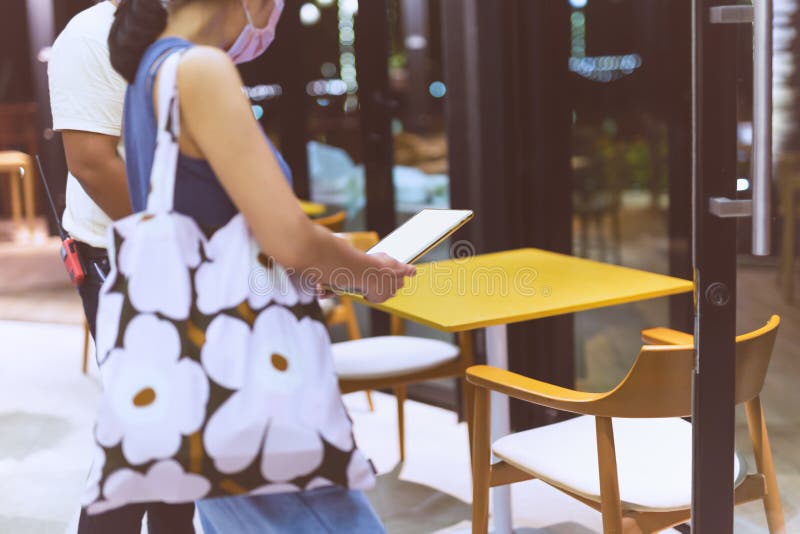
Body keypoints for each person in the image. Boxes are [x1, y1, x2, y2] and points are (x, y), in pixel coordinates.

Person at [106, 0, 416, 532]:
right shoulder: (200, 69)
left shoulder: (150, 72)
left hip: (204, 386)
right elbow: (288, 239)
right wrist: (364, 272)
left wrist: (321, 254)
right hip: (252, 389)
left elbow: (227, 227)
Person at [48, 1, 198, 532]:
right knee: (145, 438)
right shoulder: (90, 35)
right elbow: (90, 161)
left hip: (178, 254)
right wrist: (173, 242)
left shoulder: (183, 32)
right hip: (124, 257)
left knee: (173, 444)